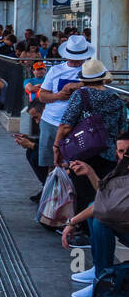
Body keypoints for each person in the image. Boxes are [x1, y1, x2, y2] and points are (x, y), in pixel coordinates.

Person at [61, 133, 129, 297]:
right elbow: (106, 198)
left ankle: (102, 281)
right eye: (120, 151)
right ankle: (100, 267)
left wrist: (72, 222)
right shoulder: (122, 169)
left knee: (99, 219)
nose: (123, 156)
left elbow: (107, 207)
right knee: (94, 208)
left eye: (127, 151)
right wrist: (90, 173)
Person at [54, 58, 128, 213]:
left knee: (81, 190)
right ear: (103, 78)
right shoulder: (116, 99)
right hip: (108, 154)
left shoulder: (81, 95)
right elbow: (122, 130)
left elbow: (66, 125)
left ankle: (80, 227)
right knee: (101, 191)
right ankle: (98, 226)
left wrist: (57, 146)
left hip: (83, 151)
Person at [34, 34, 93, 195]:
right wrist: (59, 95)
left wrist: (79, 84)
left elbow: (106, 79)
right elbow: (42, 96)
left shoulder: (90, 70)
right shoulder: (56, 70)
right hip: (51, 121)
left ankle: (69, 195)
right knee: (50, 163)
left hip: (77, 124)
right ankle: (50, 194)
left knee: (73, 163)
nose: (75, 60)